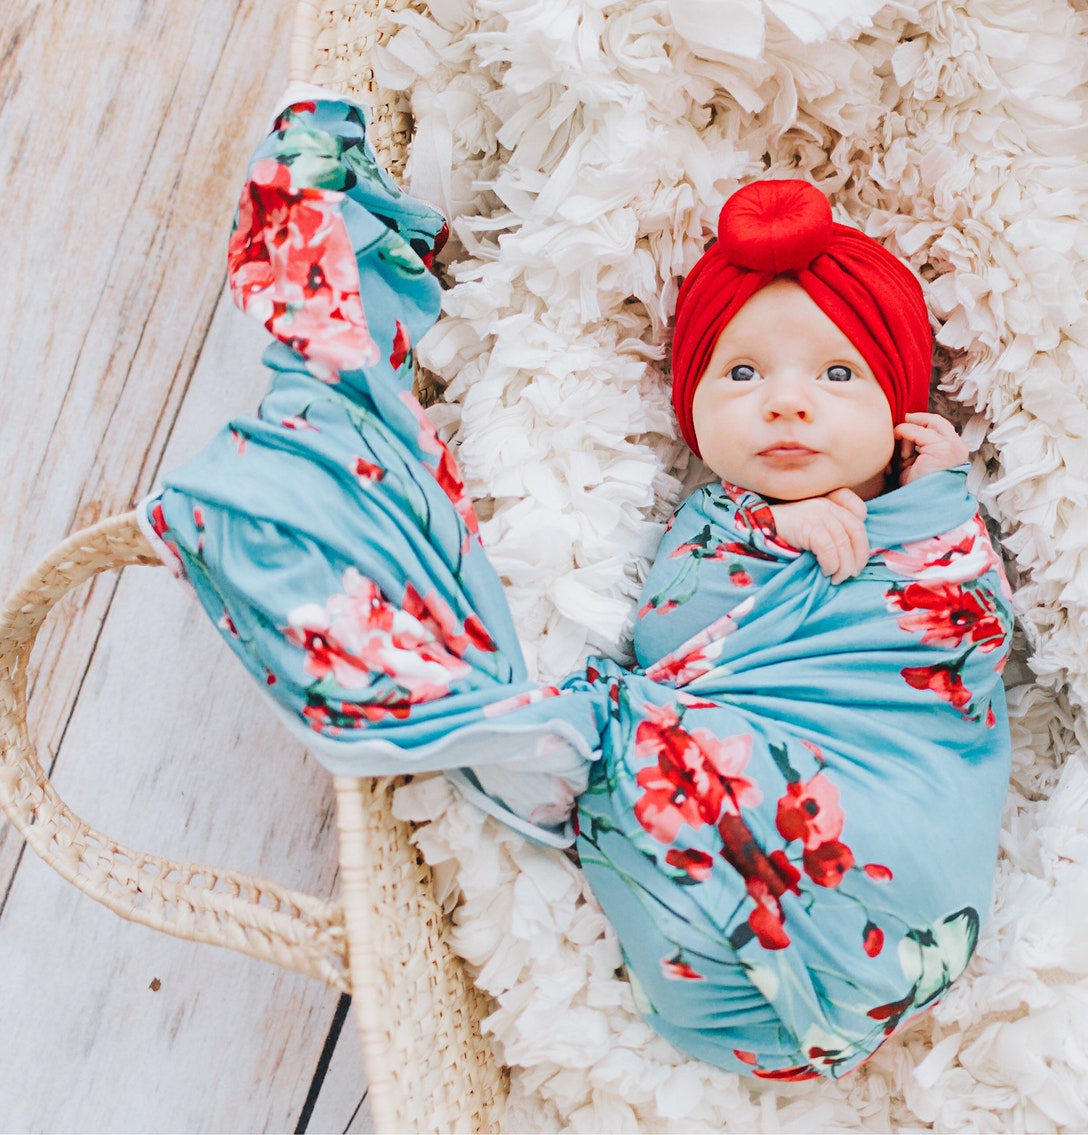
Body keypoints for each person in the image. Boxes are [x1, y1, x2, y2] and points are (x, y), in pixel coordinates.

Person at [140, 87, 1015, 1079]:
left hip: (901, 862)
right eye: (740, 376)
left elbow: (964, 640)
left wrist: (938, 507)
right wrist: (775, 532)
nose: (784, 402)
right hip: (710, 941)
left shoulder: (934, 520)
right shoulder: (718, 526)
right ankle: (530, 730)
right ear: (692, 414)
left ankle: (514, 730)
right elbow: (671, 638)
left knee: (600, 727)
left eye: (836, 376)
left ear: (901, 408)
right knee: (619, 714)